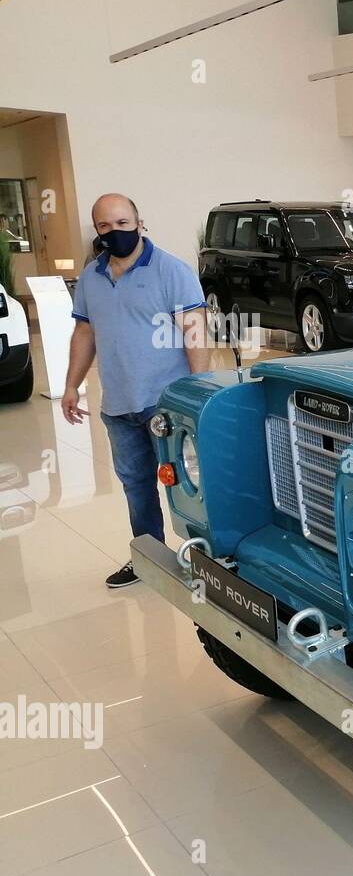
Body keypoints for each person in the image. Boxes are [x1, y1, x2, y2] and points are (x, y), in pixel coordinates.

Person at [62, 194, 209, 588]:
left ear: (140, 223)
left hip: (167, 404)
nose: (116, 232)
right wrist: (71, 385)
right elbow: (85, 332)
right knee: (136, 486)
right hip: (119, 407)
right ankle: (147, 557)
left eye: (123, 223)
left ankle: (208, 560)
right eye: (105, 226)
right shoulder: (91, 276)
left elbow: (194, 332)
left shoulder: (170, 271)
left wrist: (197, 395)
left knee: (189, 482)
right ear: (97, 230)